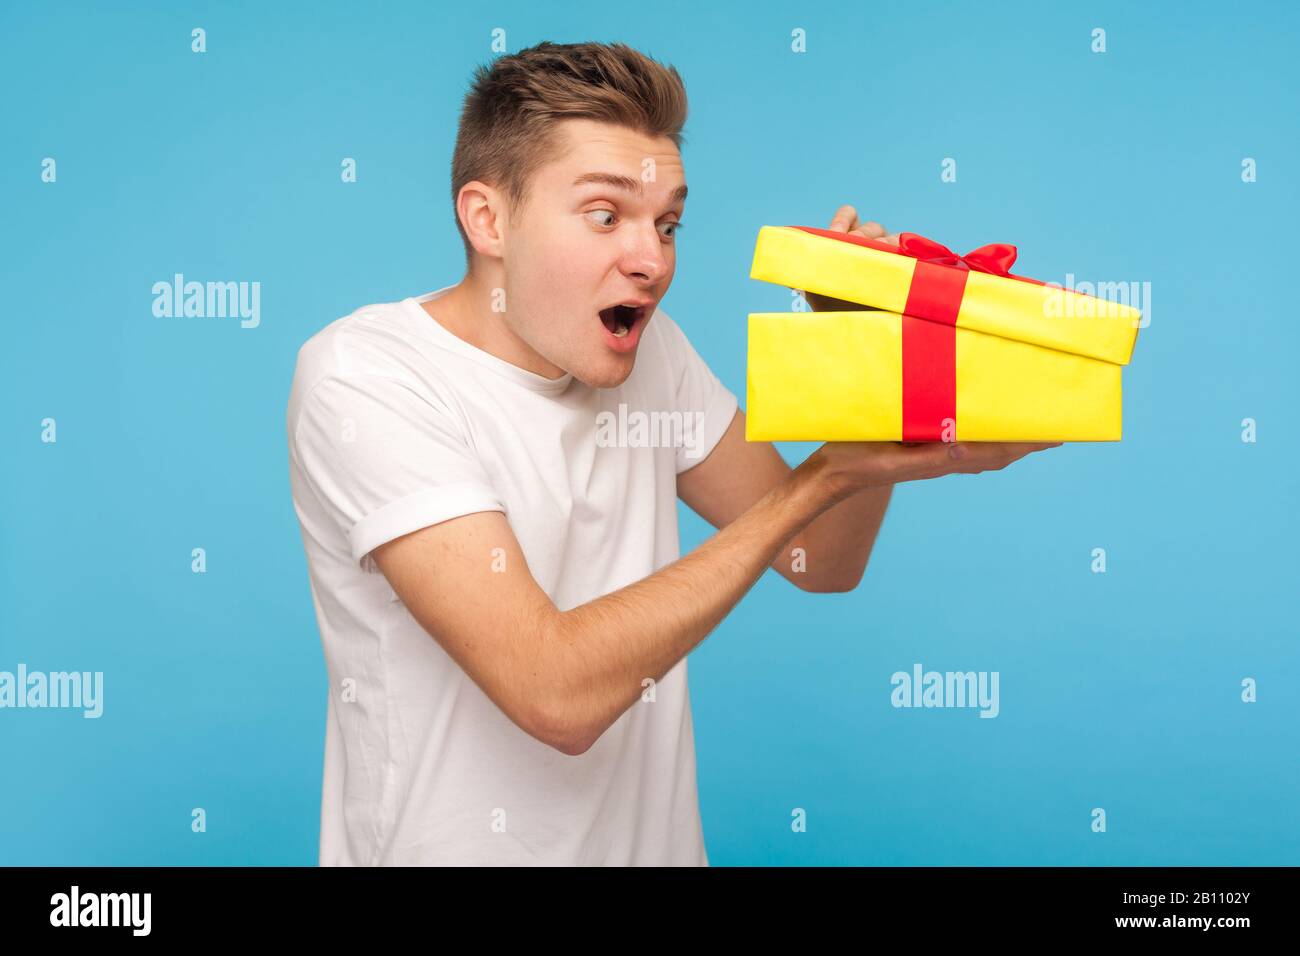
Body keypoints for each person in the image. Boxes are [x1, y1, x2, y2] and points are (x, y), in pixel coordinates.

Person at [285, 40, 1058, 866]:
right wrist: (817, 481)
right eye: (605, 215)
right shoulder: (366, 378)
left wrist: (871, 364)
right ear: (488, 219)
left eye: (667, 222)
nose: (651, 260)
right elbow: (555, 694)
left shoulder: (653, 356)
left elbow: (822, 557)